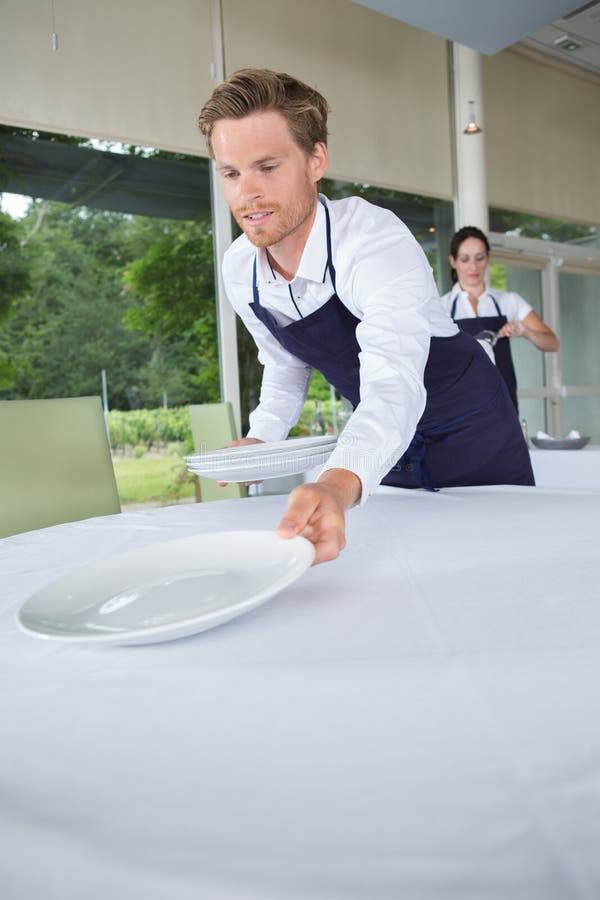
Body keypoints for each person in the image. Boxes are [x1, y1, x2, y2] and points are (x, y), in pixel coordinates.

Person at [198, 68, 534, 566]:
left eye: (267, 167)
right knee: (401, 575)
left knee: (502, 568)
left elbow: (393, 381)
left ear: (316, 160)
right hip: (380, 444)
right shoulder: (240, 268)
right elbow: (285, 364)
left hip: (472, 430)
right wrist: (262, 439)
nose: (246, 193)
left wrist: (334, 481)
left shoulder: (374, 242)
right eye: (231, 172)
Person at [441, 226, 559, 410]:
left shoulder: (508, 301)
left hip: (503, 403)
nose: (473, 266)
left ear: (488, 258)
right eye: (465, 259)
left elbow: (552, 343)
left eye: (480, 258)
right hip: (459, 405)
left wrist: (525, 331)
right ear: (453, 261)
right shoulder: (442, 307)